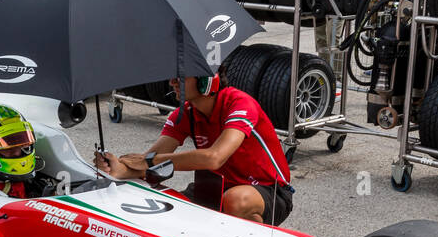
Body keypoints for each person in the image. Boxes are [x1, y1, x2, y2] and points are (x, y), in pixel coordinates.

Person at [96, 75, 293, 224]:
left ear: (205, 81)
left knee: (235, 201)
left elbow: (214, 158)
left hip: (270, 191)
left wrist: (149, 162)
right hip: (214, 188)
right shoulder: (185, 113)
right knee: (161, 205)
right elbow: (149, 161)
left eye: (180, 77)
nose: (172, 82)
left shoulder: (240, 103)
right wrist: (119, 168)